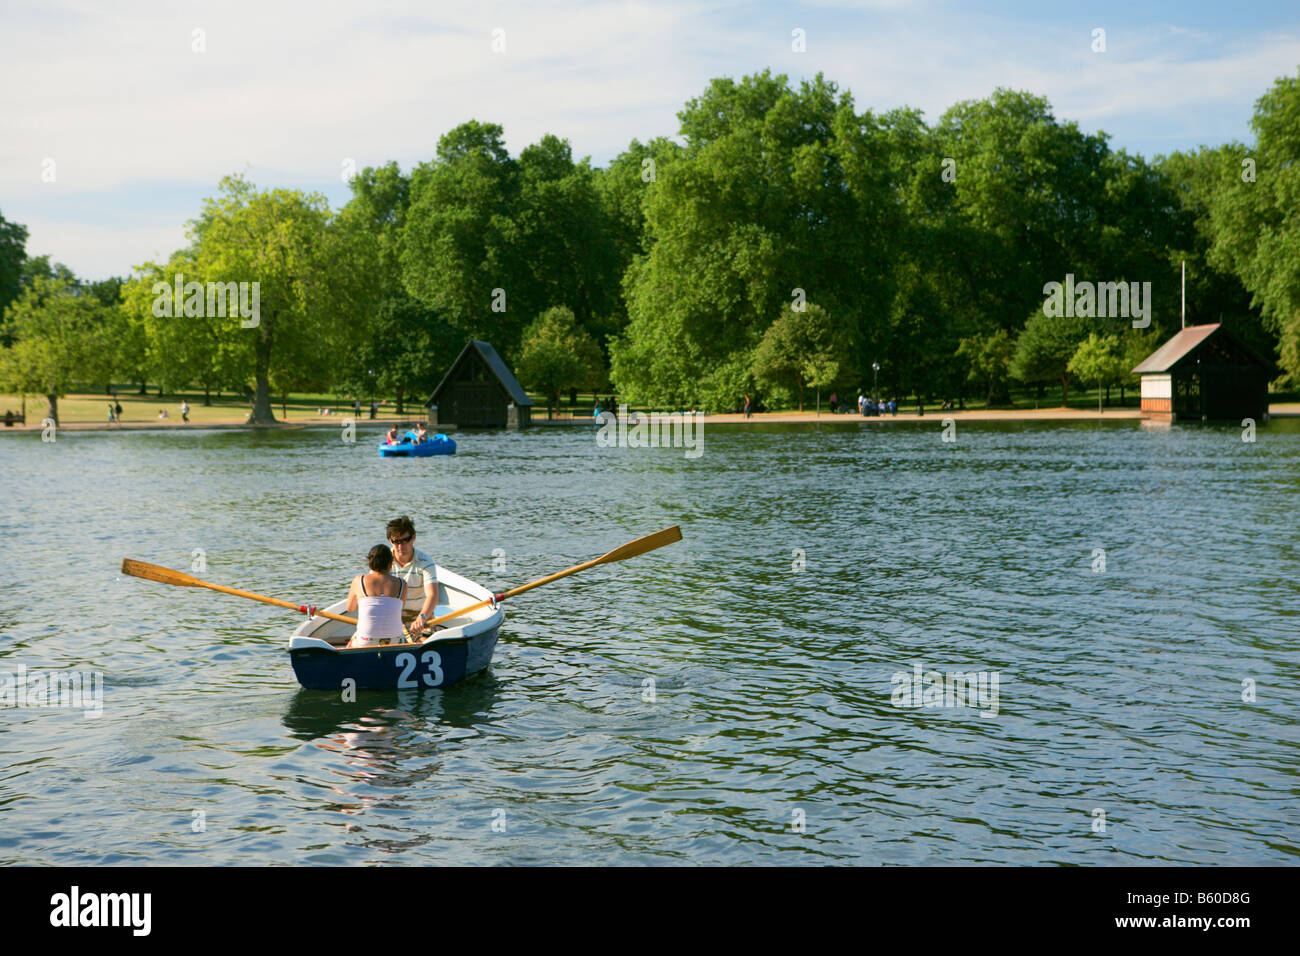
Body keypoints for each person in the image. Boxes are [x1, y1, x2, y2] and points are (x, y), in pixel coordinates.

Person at [384, 516, 439, 639]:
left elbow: (432, 595)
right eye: (396, 541)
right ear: (390, 541)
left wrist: (422, 617)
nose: (400, 546)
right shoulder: (383, 560)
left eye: (405, 540)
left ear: (413, 538)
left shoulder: (425, 562)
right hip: (391, 617)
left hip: (418, 617)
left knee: (423, 641)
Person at [345, 544, 408, 648]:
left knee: (354, 637)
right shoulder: (402, 584)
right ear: (390, 564)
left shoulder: (359, 580)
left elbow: (350, 608)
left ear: (369, 562)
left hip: (366, 641)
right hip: (394, 640)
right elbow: (399, 608)